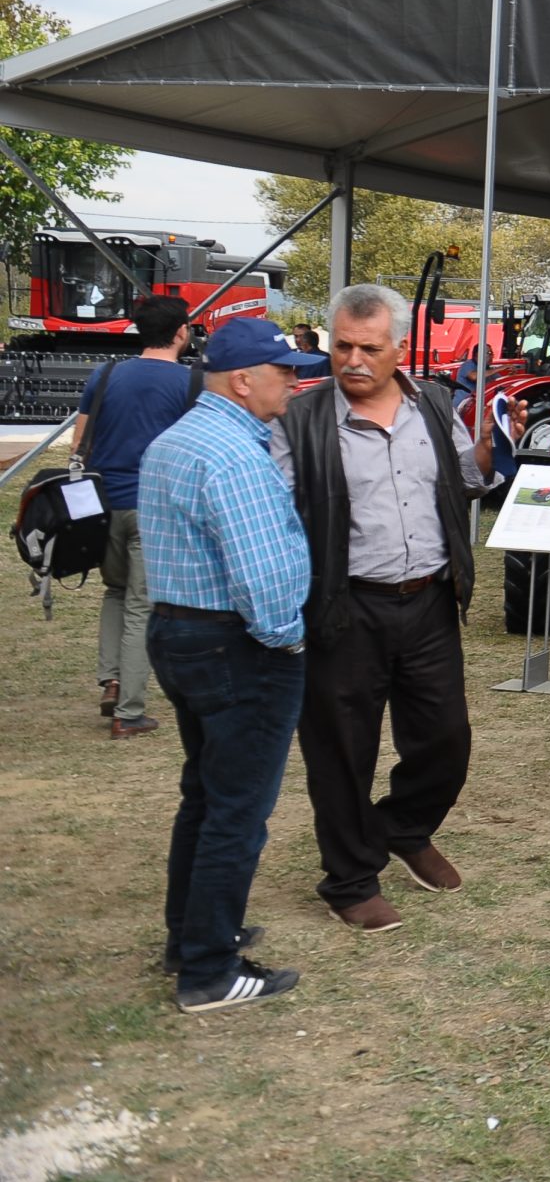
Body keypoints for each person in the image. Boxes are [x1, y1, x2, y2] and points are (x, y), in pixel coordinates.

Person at [276, 283, 495, 933]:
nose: (353, 359)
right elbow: (277, 511)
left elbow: (465, 479)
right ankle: (349, 880)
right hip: (344, 606)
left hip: (428, 600)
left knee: (446, 739)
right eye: (343, 345)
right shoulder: (301, 419)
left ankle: (402, 826)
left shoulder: (433, 403)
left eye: (369, 348)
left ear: (399, 348)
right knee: (343, 749)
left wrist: (486, 456)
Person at [139, 316, 328, 1012]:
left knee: (206, 794)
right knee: (237, 811)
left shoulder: (179, 440)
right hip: (237, 647)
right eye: (285, 373)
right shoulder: (234, 456)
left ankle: (189, 938)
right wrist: (288, 638)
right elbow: (261, 573)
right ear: (244, 381)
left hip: (180, 631)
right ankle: (210, 971)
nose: (294, 384)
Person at [68, 295, 197, 739]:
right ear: (181, 332)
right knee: (143, 604)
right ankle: (129, 711)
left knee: (115, 591)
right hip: (154, 508)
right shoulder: (190, 384)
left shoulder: (105, 375)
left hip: (104, 502)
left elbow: (78, 444)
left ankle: (111, 679)